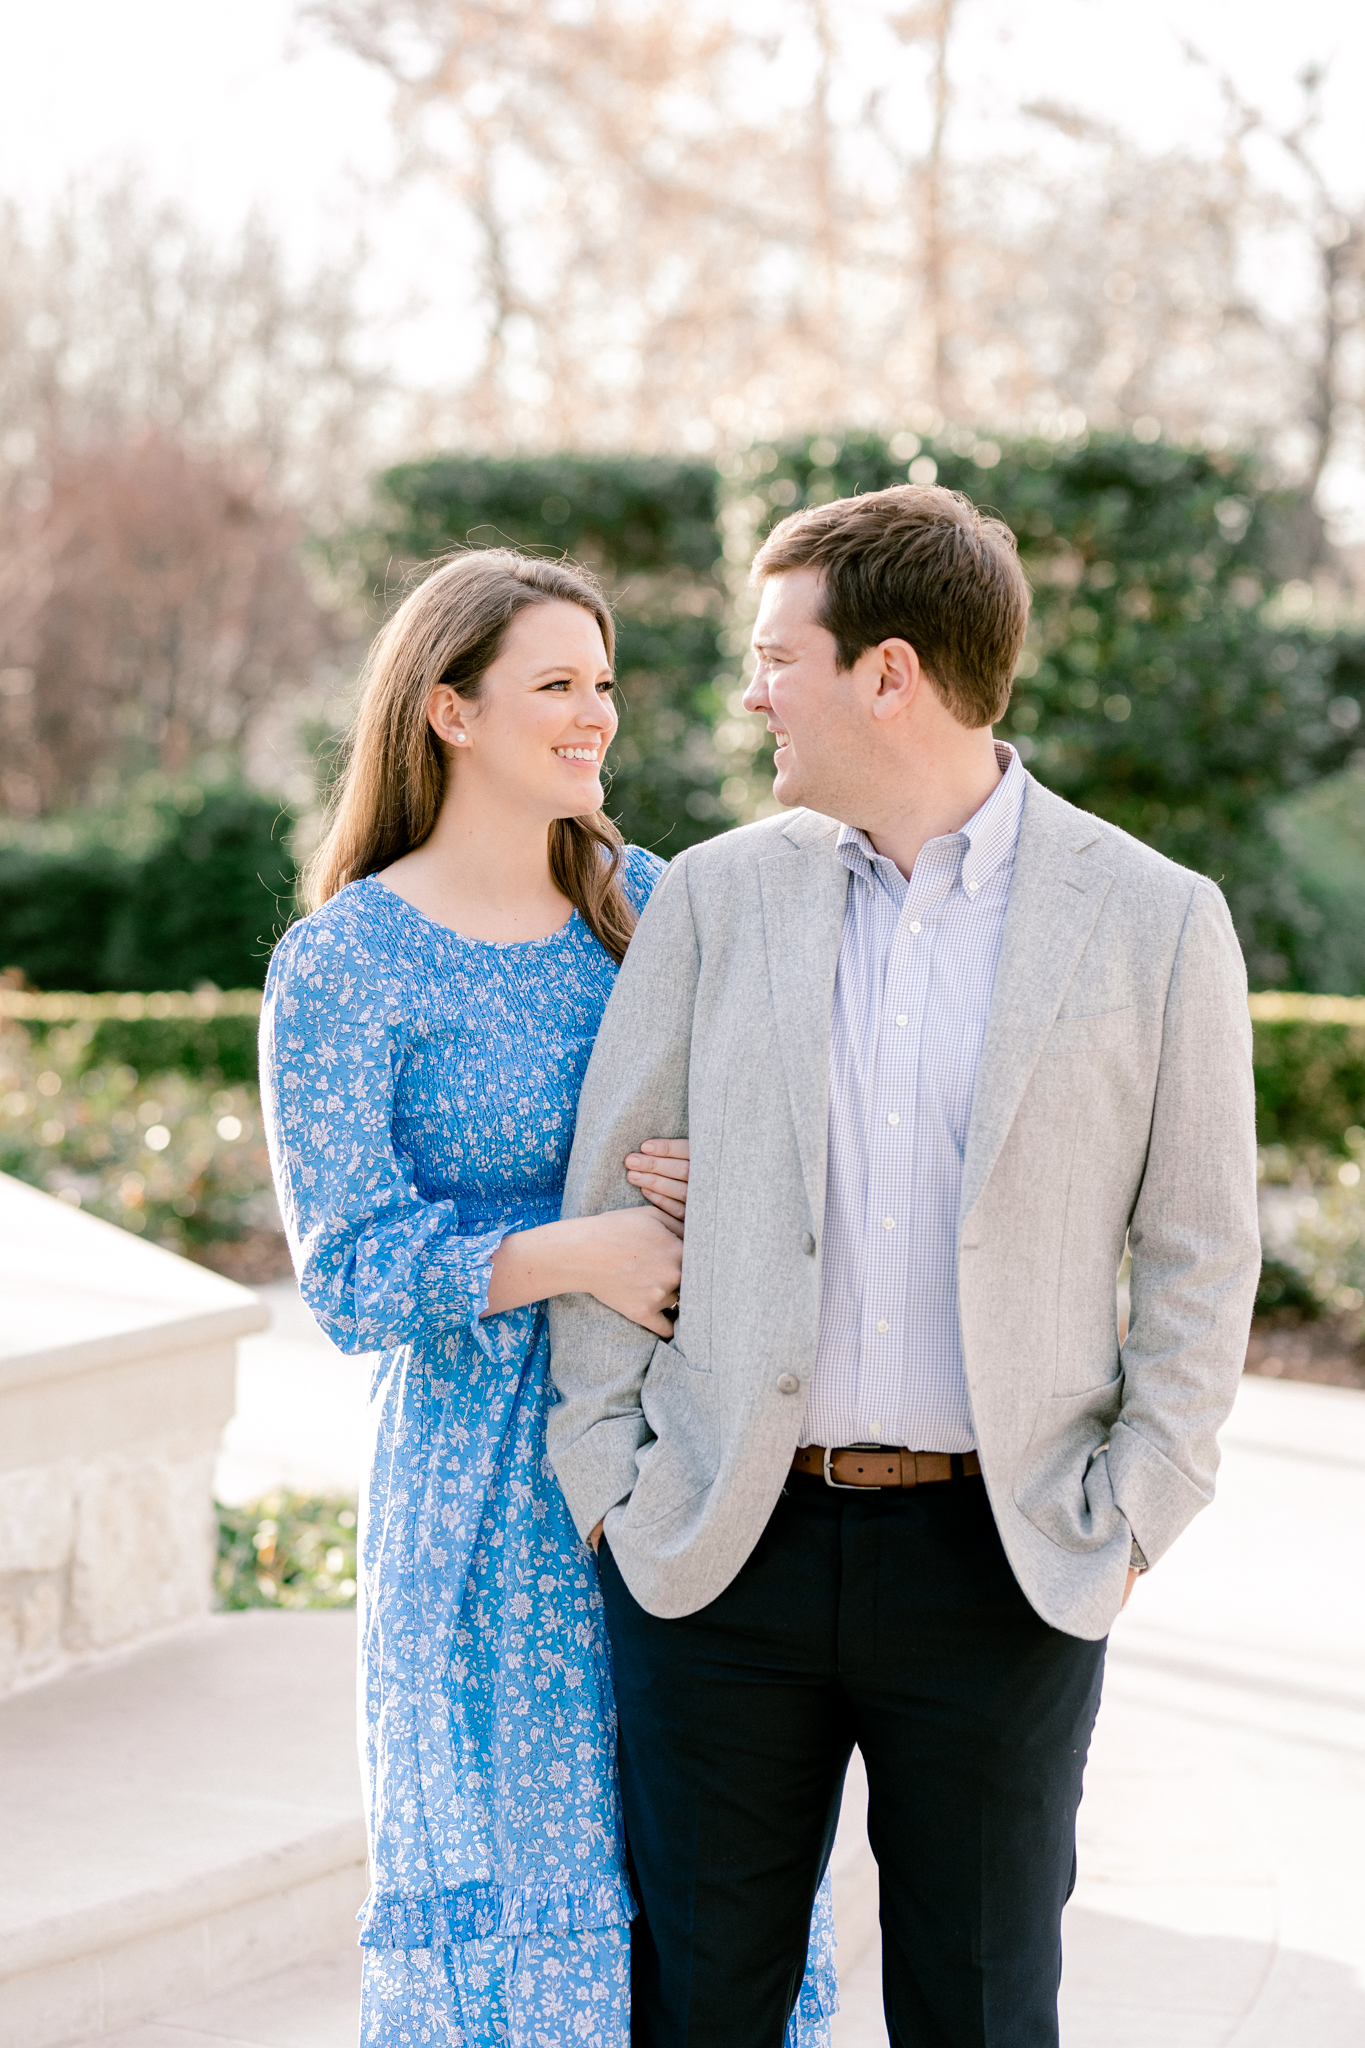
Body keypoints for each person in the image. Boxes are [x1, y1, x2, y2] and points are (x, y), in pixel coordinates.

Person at [547, 484, 1262, 2047]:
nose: (749, 693)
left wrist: (1133, 1514)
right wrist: (612, 1477)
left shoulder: (1152, 919)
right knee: (699, 2005)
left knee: (983, 2007)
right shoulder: (716, 899)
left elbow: (1203, 1253)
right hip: (721, 1550)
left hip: (1000, 1564)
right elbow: (615, 1174)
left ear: (886, 673)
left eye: (771, 655)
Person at [257, 550, 836, 2048]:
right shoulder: (345, 964)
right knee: (522, 1882)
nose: (595, 719)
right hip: (479, 1495)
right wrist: (578, 1250)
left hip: (681, 1451)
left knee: (710, 1881)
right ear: (447, 711)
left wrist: (731, 1194)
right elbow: (348, 1273)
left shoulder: (653, 905)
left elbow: (778, 1142)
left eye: (604, 687)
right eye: (555, 687)